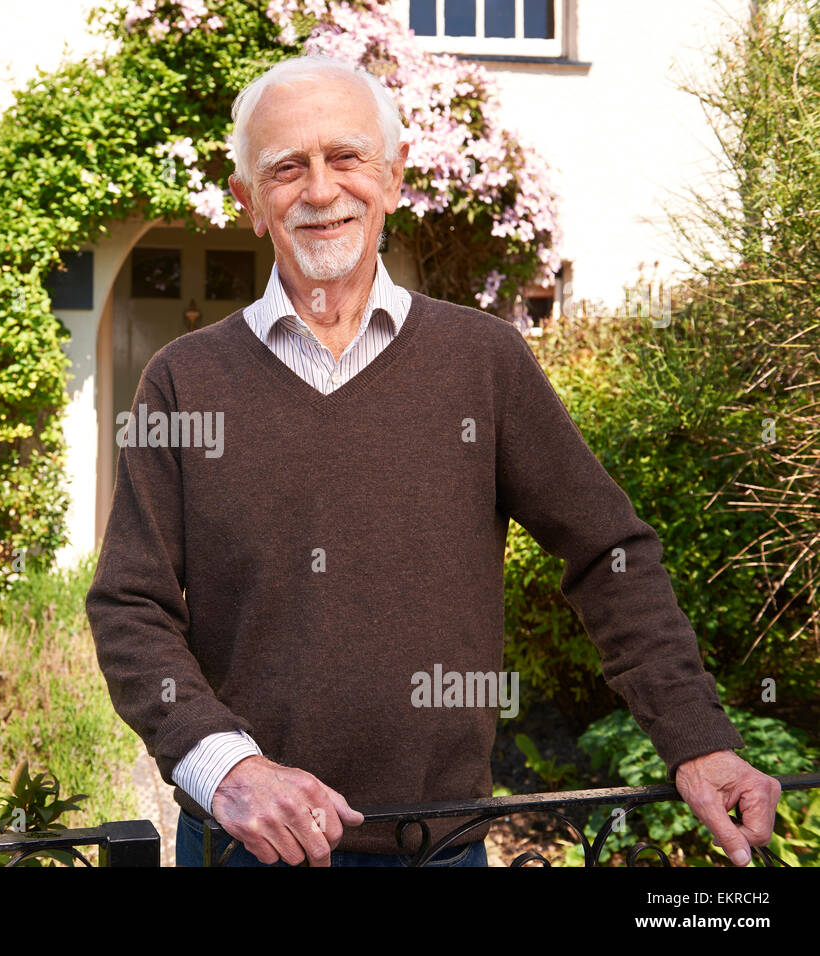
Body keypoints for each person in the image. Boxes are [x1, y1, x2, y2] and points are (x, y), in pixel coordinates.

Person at [84, 54, 781, 868]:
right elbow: (130, 606)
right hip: (248, 849)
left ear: (394, 177)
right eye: (286, 168)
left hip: (440, 850)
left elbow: (609, 552)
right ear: (247, 203)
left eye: (346, 157)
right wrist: (224, 765)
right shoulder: (183, 379)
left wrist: (695, 736)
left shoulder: (482, 362)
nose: (319, 190)